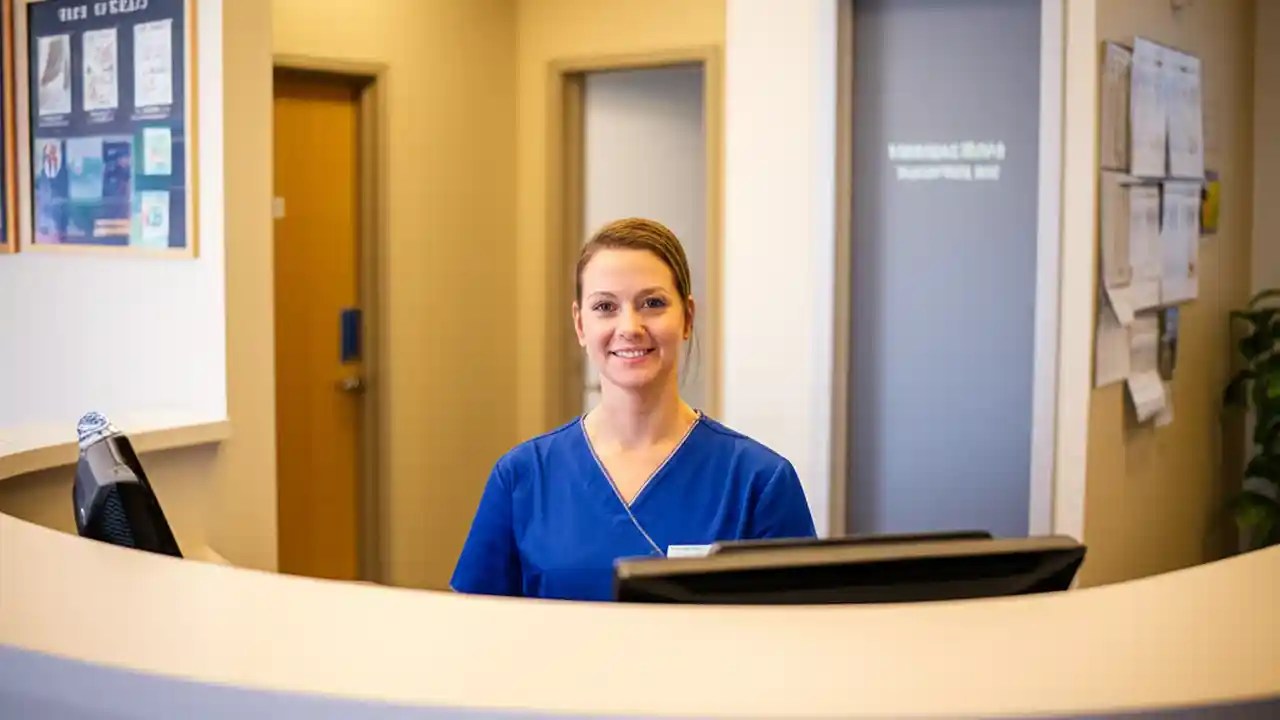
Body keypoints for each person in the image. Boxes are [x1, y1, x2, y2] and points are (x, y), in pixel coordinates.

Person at [450, 218, 816, 601]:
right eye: (605, 306)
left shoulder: (758, 482)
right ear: (580, 324)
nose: (630, 326)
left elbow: (796, 639)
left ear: (687, 318)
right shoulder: (523, 477)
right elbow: (476, 630)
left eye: (653, 303)